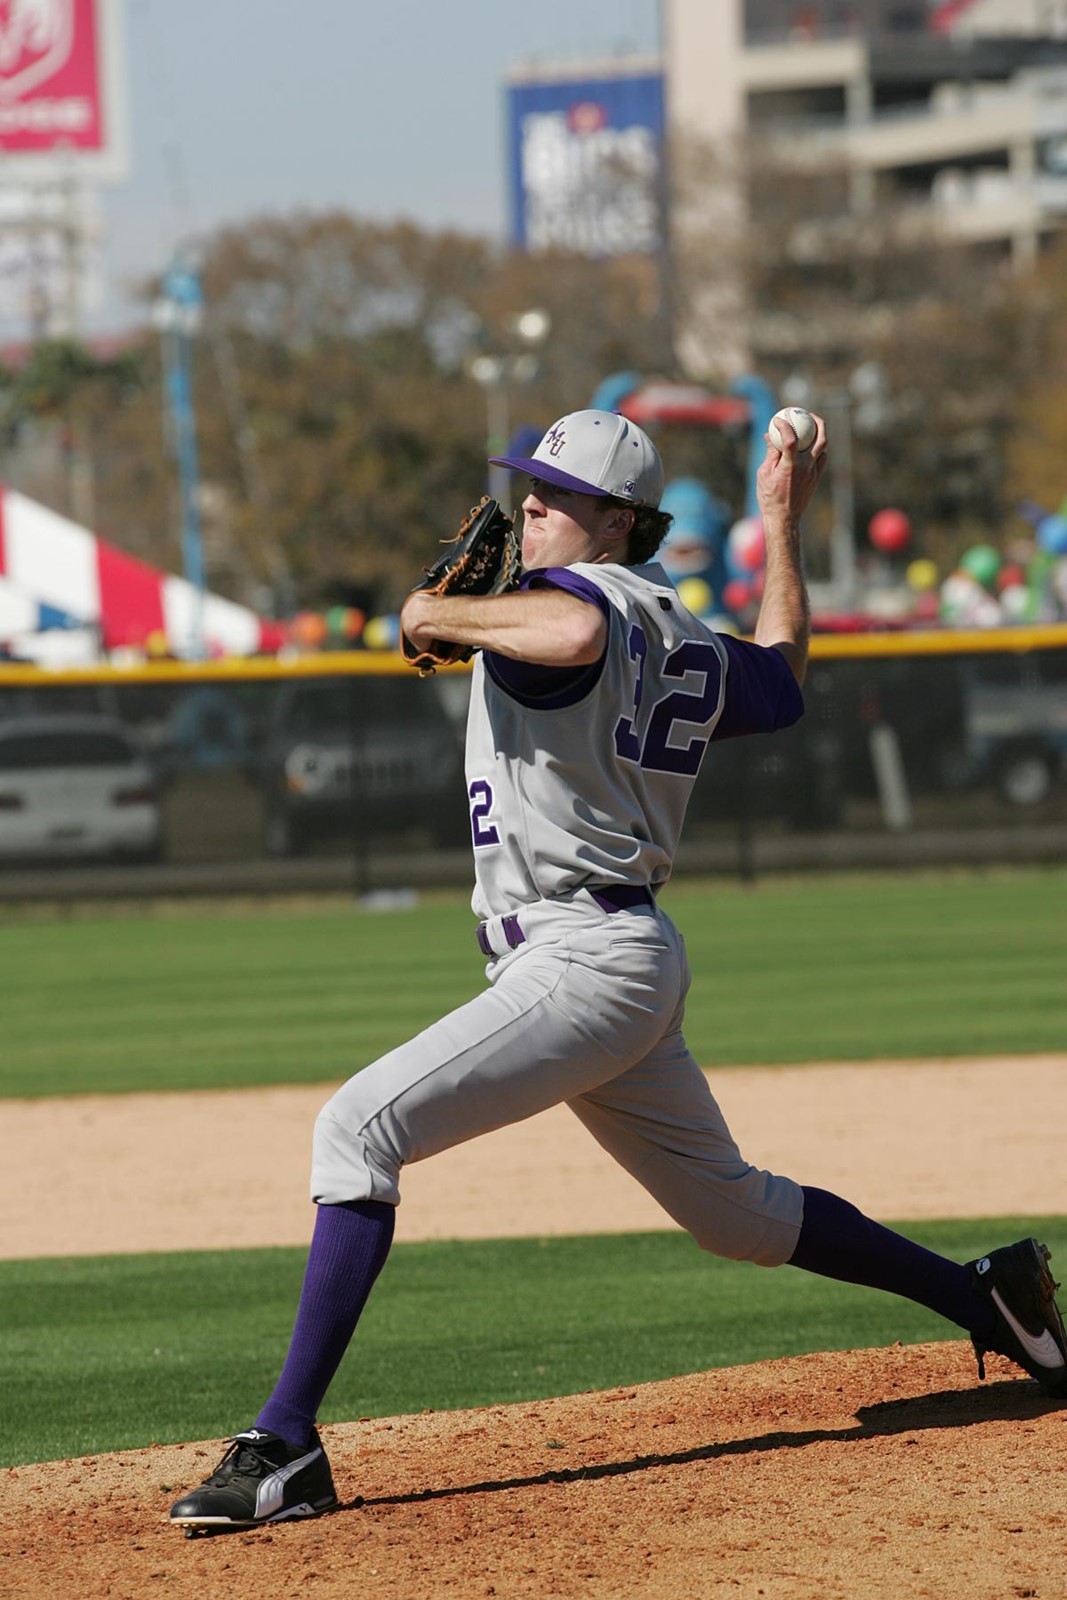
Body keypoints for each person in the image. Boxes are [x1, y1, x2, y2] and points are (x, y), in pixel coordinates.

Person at [170, 408, 1067, 1533]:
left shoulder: (581, 601)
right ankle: (985, 1295)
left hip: (581, 960)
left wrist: (429, 611)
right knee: (734, 1214)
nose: (528, 507)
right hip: (620, 958)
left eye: (555, 496)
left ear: (615, 523)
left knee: (356, 1131)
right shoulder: (680, 630)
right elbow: (784, 677)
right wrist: (782, 520)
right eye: (530, 487)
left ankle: (285, 1444)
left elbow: (572, 629)